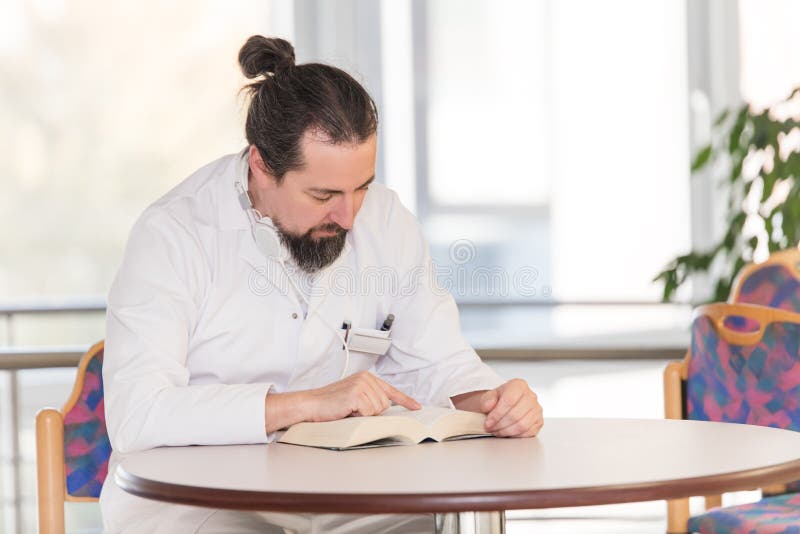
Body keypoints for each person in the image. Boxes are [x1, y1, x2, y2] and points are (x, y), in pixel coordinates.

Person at [100, 35, 544, 534]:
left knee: (435, 525)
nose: (349, 216)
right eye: (323, 194)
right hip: (199, 500)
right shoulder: (174, 234)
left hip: (347, 493)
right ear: (261, 166)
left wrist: (492, 401)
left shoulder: (386, 221)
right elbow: (138, 413)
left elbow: (437, 362)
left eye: (362, 188)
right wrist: (307, 404)